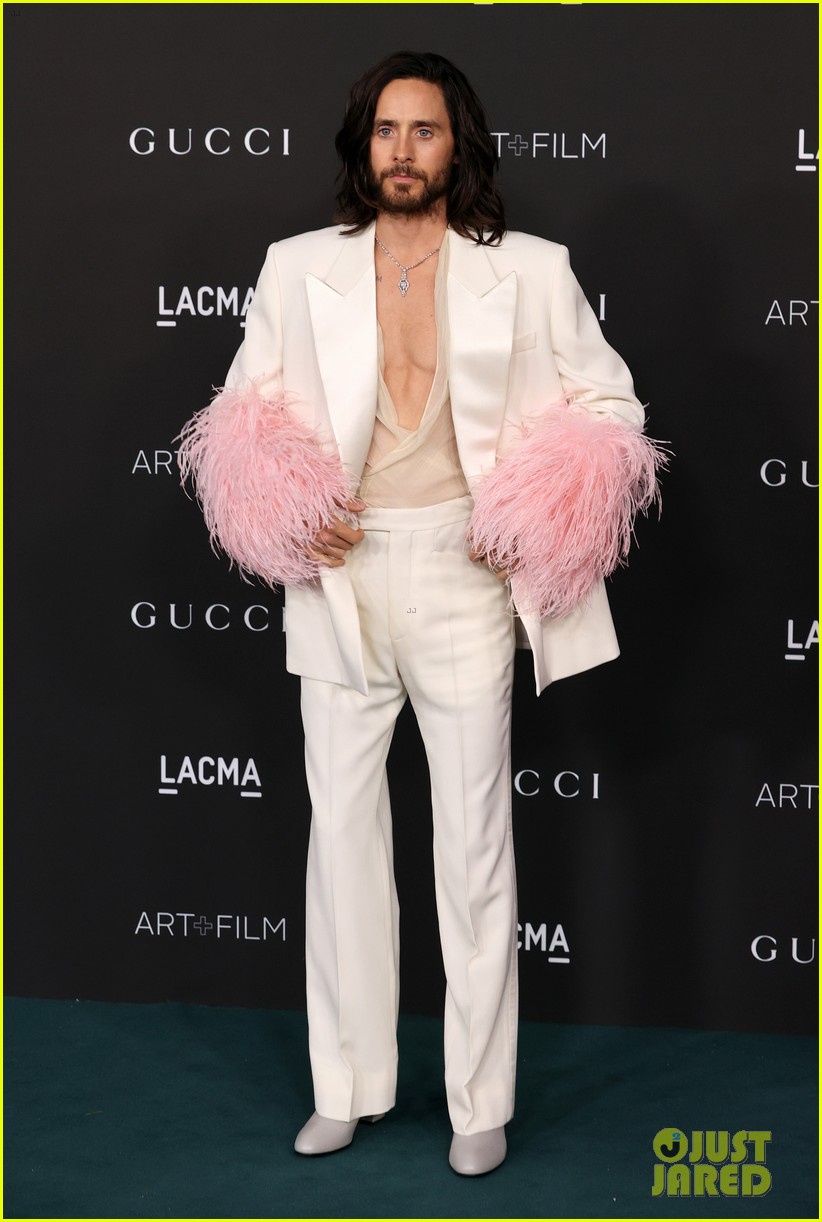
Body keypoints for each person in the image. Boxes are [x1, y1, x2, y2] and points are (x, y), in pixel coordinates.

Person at [178, 50, 662, 1176]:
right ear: (364, 145)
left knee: (473, 844)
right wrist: (288, 511)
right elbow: (242, 411)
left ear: (460, 145)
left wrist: (538, 506)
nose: (403, 149)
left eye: (425, 131)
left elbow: (611, 401)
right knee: (341, 840)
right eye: (387, 130)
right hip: (338, 576)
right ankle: (343, 1083)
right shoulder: (296, 268)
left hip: (465, 570)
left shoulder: (530, 271)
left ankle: (478, 1101)